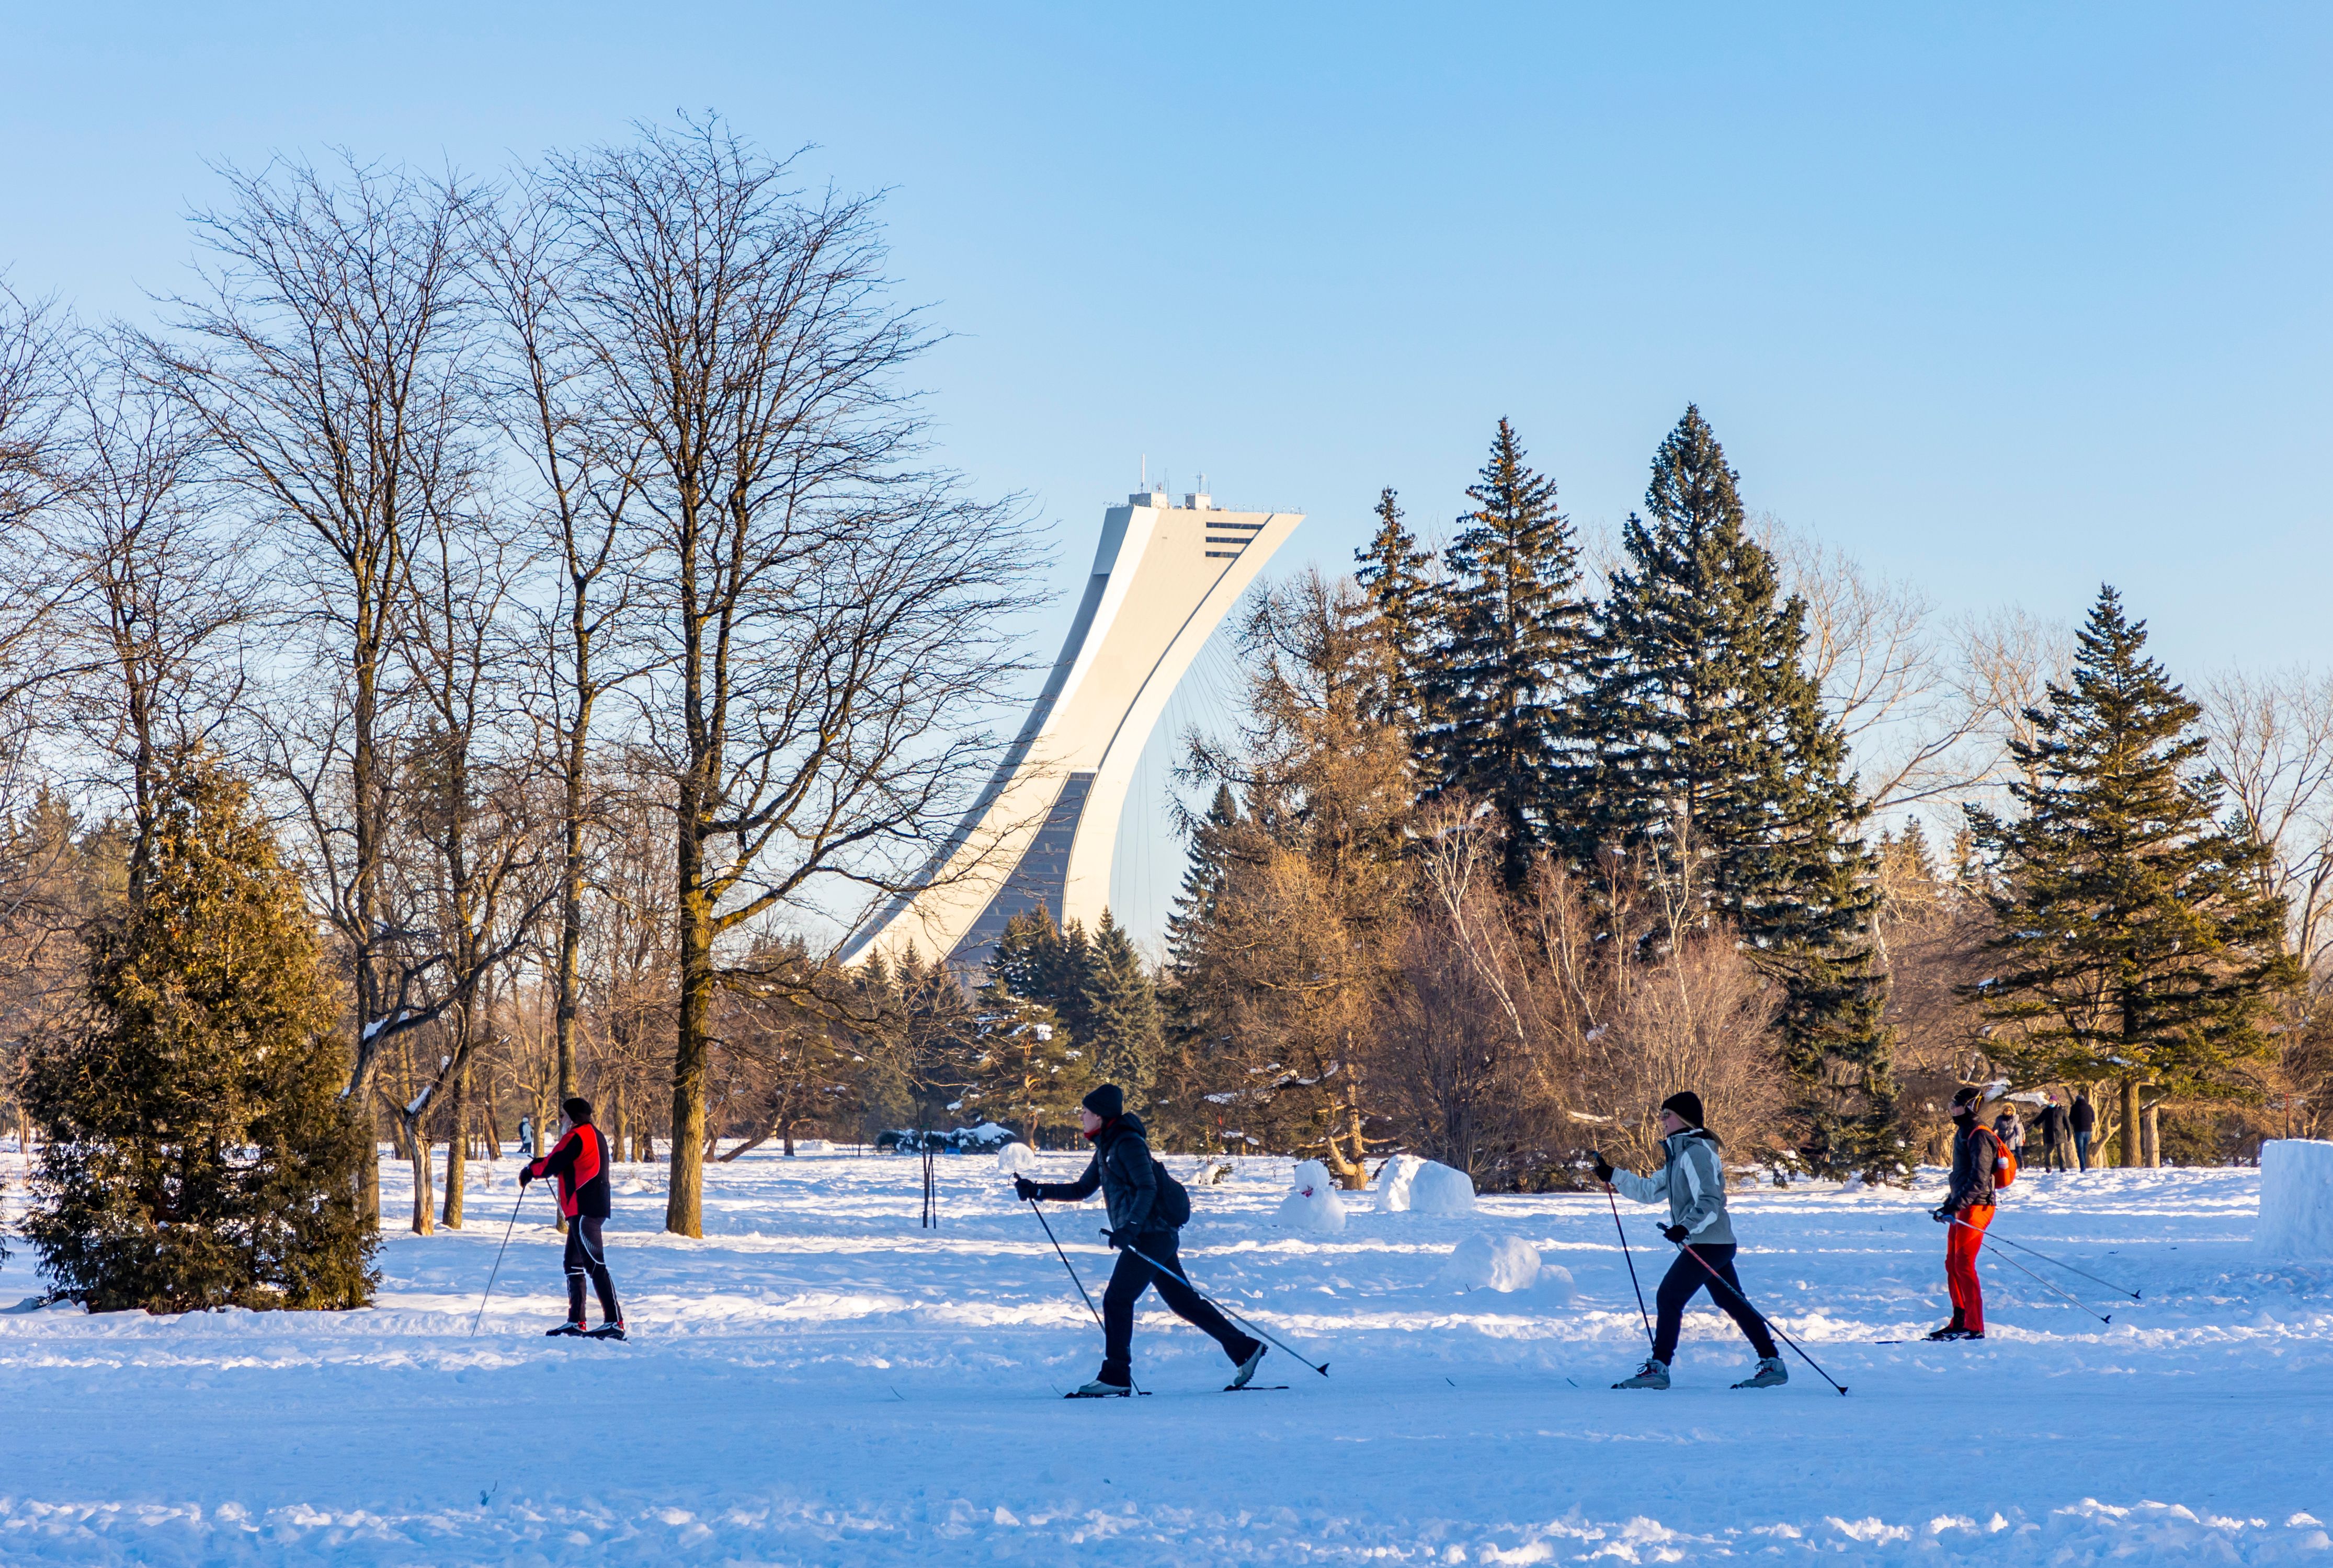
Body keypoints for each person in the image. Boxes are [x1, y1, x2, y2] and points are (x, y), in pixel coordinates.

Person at [1016, 1084, 1265, 1397]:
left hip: (1151, 1235)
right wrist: (1037, 1190)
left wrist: (1130, 1228)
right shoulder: (1107, 1146)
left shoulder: (1128, 1144)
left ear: (1099, 1115)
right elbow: (1082, 1189)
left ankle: (1116, 1375)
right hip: (1152, 1236)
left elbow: (1148, 1187)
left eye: (1085, 1112)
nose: (1081, 1117)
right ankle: (1244, 1348)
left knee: (1117, 1299)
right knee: (1183, 1302)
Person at [1596, 1092, 1786, 1391]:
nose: (1662, 1121)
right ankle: (1772, 1363)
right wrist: (1613, 1175)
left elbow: (1710, 1201)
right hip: (1711, 1242)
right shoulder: (1679, 1154)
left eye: (1667, 1115)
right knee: (1730, 1300)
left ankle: (1659, 1368)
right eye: (1661, 1115)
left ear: (1683, 1118)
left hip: (1709, 1243)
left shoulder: (1696, 1153)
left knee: (1669, 1296)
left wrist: (1685, 1227)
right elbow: (1650, 1191)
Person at [522, 1096, 623, 1340]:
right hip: (590, 1207)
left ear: (573, 1117)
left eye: (563, 1115)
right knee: (573, 1264)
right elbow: (565, 1163)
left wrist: (530, 1170)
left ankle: (614, 1322)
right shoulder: (594, 1135)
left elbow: (552, 1164)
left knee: (595, 1265)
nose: (561, 1120)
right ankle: (577, 1321)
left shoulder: (576, 1136)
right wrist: (541, 1165)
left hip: (584, 1208)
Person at [1927, 1085, 2003, 1341]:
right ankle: (1959, 1321)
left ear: (1969, 1106)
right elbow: (1963, 1177)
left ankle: (1974, 1325)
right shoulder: (1964, 1131)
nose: (1952, 1108)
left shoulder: (1980, 1135)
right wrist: (1949, 1204)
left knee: (1964, 1264)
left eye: (1956, 1104)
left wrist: (1955, 1205)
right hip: (1963, 1206)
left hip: (1978, 1206)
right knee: (1952, 1264)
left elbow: (1979, 1180)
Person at [2034, 1095, 2068, 1174]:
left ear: (2056, 1101)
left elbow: (2067, 1124)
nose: (2051, 1102)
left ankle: (2063, 1169)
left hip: (2060, 1136)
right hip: (2050, 1136)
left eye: (2052, 1101)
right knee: (2049, 1154)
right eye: (2050, 1101)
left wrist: (2069, 1134)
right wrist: (2030, 1127)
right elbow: (2038, 1120)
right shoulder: (2046, 1111)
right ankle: (2048, 1169)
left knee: (2061, 1153)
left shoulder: (2062, 1111)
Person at [2069, 1092, 2096, 1172]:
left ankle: (2083, 1167)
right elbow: (2093, 1119)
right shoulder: (2089, 1107)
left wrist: (2075, 1124)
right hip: (2088, 1130)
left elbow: (2071, 1119)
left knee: (2080, 1149)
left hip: (2079, 1131)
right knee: (2085, 1148)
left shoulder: (2074, 1107)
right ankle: (2084, 1165)